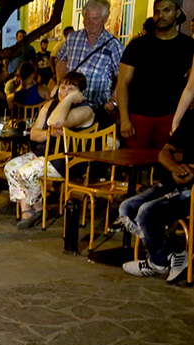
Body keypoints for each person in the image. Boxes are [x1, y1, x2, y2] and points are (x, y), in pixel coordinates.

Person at [3, 72, 94, 229]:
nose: (64, 92)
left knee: (26, 172)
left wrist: (68, 100)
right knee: (11, 167)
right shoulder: (49, 105)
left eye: (70, 89)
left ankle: (38, 209)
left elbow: (56, 121)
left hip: (67, 159)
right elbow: (34, 134)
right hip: (43, 153)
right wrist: (49, 133)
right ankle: (28, 211)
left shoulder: (86, 110)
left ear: (81, 92)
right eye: (62, 87)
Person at [120, 108, 193, 283]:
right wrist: (174, 167)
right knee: (127, 208)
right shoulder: (191, 117)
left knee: (146, 212)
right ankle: (170, 256)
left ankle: (159, 261)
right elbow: (165, 152)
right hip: (180, 180)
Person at [118, 0, 193, 150]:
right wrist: (125, 118)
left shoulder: (188, 46)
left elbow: (192, 84)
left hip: (171, 115)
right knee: (132, 162)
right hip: (139, 115)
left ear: (177, 13)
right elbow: (122, 83)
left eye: (166, 10)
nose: (160, 15)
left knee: (168, 163)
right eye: (157, 12)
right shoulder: (137, 45)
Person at [56, 0, 123, 117]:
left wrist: (113, 102)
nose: (90, 22)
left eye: (95, 19)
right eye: (87, 18)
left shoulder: (114, 46)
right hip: (69, 106)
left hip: (98, 108)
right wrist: (62, 88)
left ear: (105, 19)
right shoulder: (72, 38)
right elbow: (61, 61)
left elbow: (122, 77)